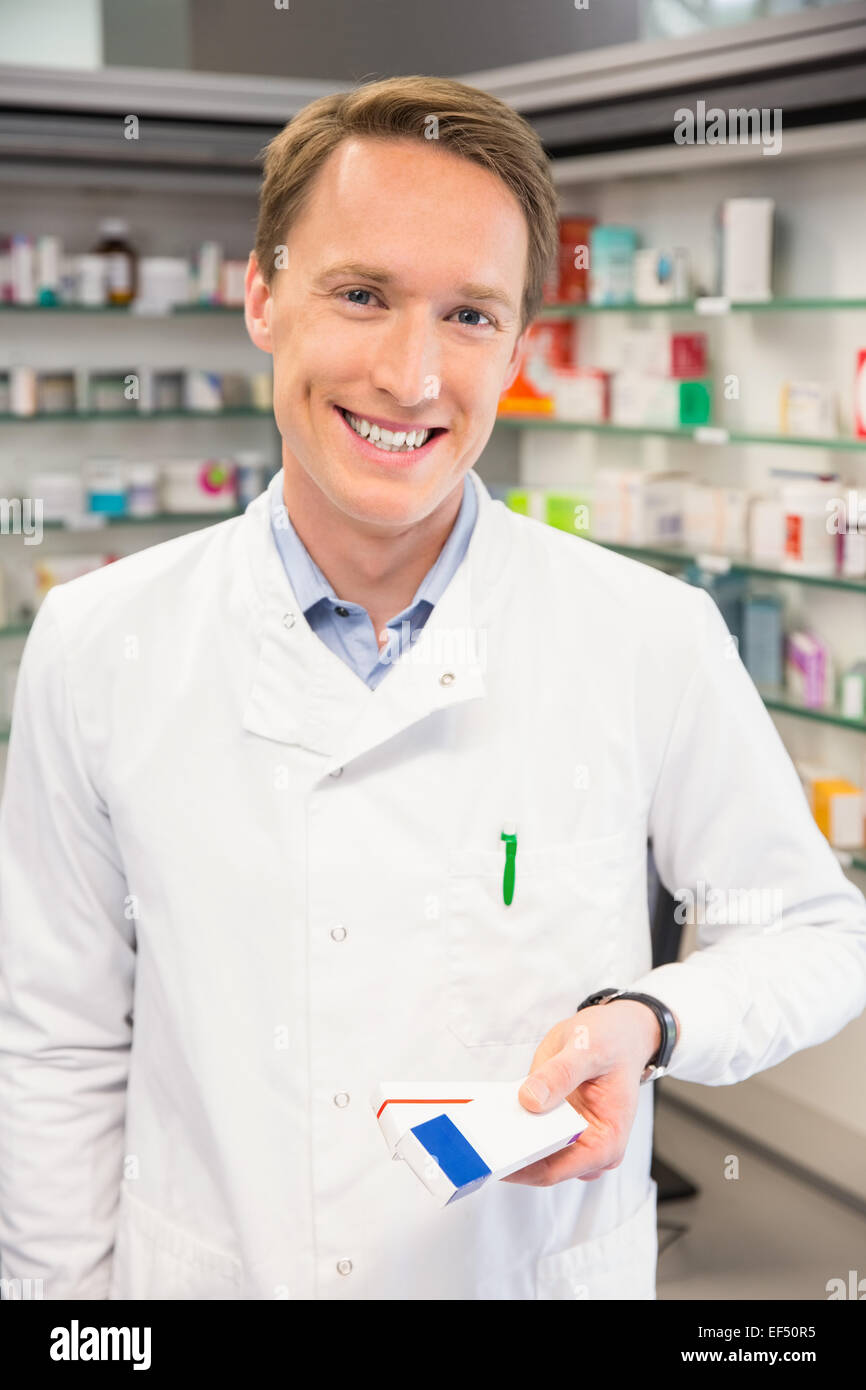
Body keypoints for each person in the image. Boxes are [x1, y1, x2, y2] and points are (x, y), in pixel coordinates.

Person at [1, 74, 865, 1303]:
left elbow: (814, 932)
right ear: (261, 294)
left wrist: (649, 1017)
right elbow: (55, 1043)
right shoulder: (97, 643)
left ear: (518, 348)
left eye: (469, 316)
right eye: (361, 294)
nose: (411, 376)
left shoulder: (646, 635)